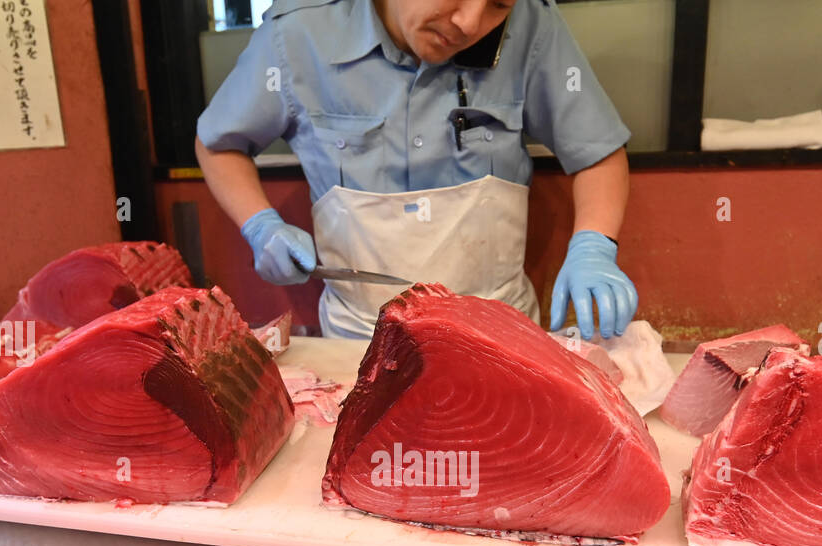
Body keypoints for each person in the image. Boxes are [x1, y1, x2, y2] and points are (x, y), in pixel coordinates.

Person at [196, 0, 638, 340]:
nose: (470, 22)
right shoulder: (297, 34)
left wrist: (593, 247)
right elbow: (219, 144)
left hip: (501, 333)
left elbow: (596, 151)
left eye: (498, 5)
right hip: (360, 342)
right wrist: (261, 226)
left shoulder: (532, 24)